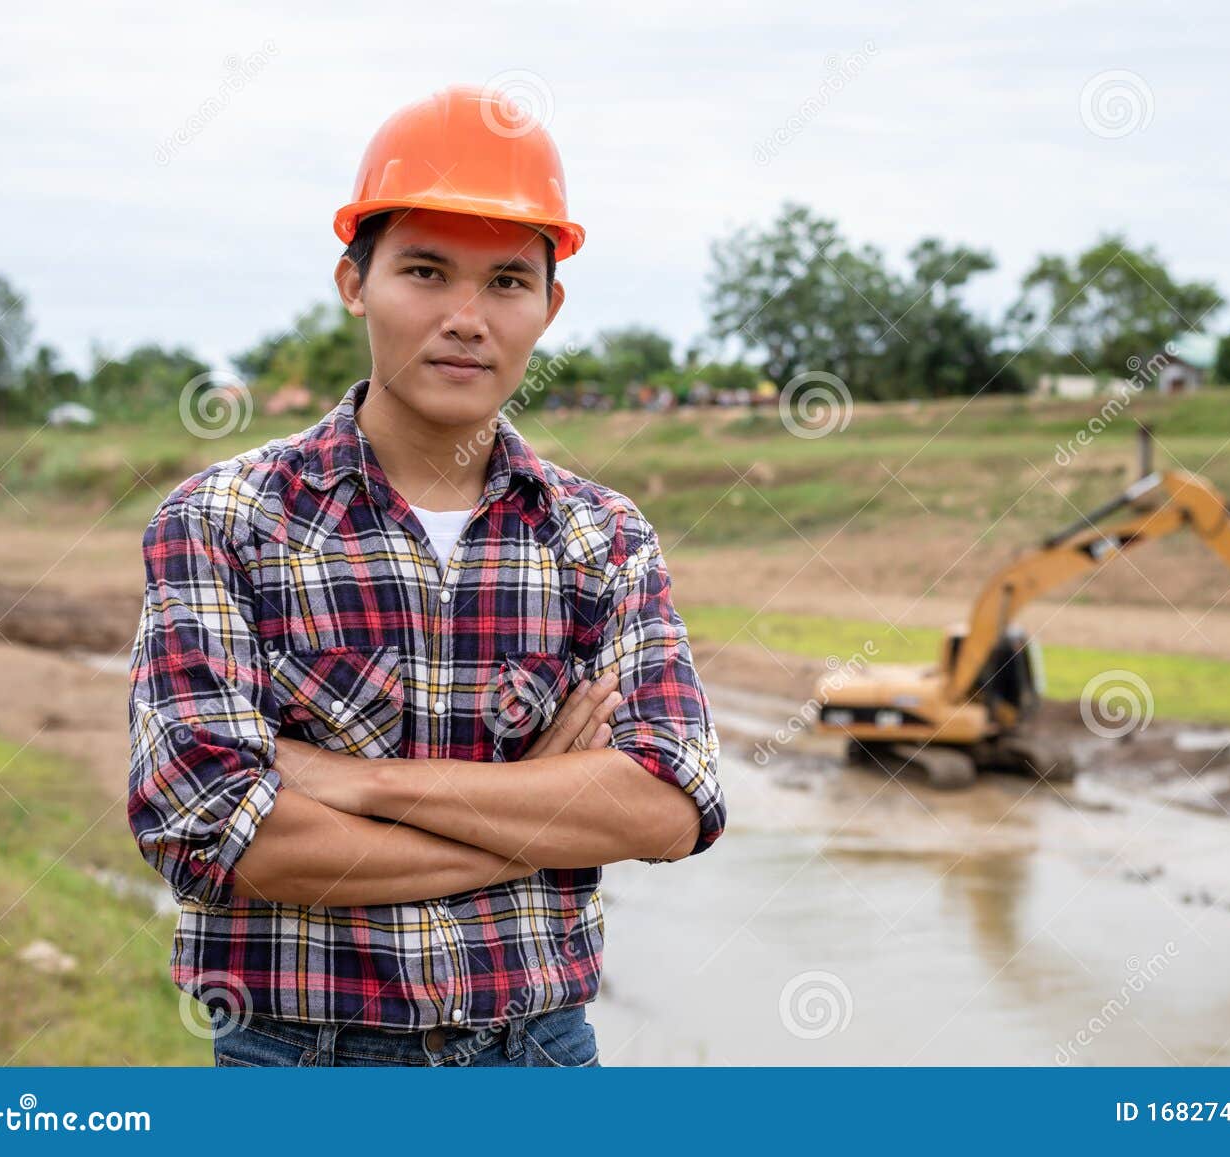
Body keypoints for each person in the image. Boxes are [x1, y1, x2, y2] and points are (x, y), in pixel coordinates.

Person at [126, 84, 726, 1068]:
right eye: (424, 271)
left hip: (537, 1056)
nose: (465, 317)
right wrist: (537, 809)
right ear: (354, 281)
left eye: (504, 282)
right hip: (300, 1061)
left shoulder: (601, 539)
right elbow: (217, 831)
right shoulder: (222, 523)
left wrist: (352, 782)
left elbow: (667, 803)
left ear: (549, 303)